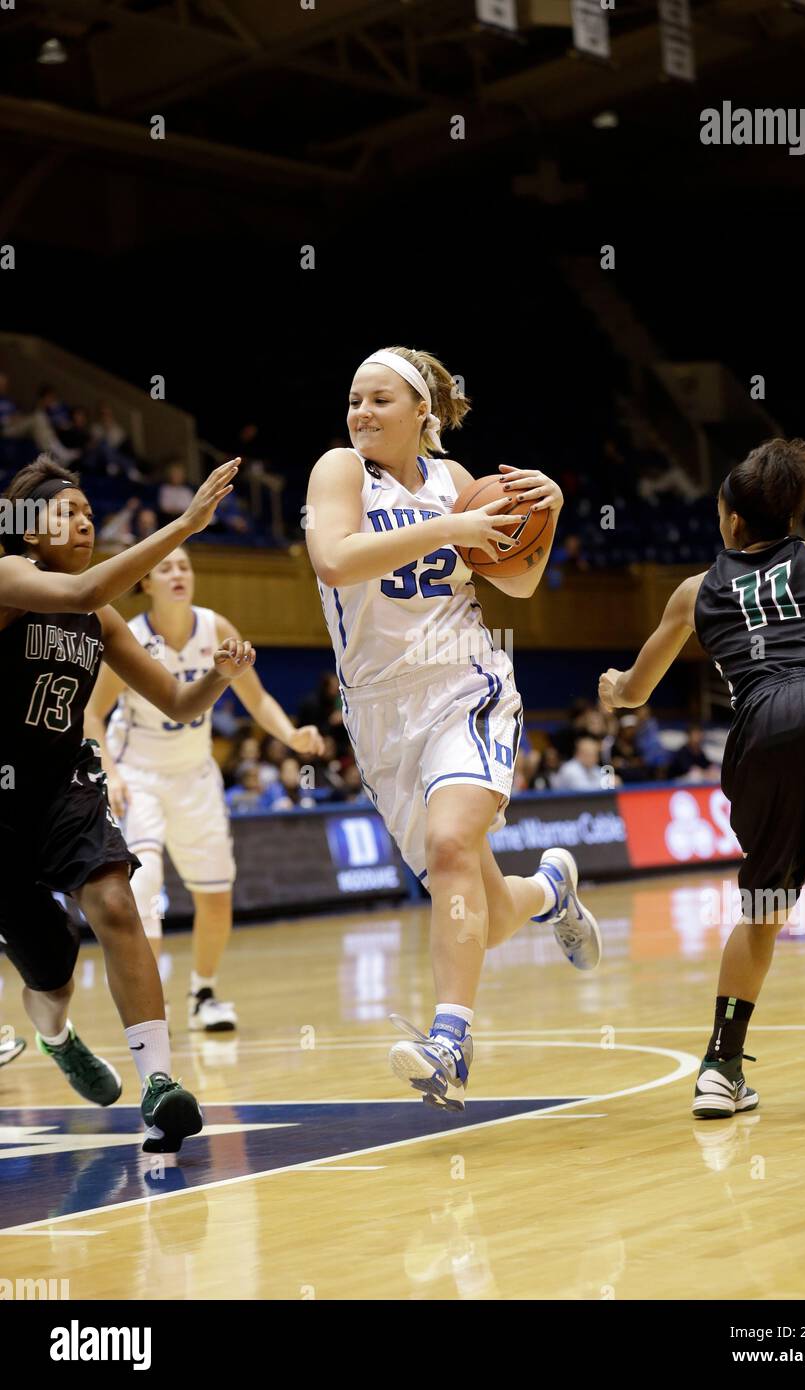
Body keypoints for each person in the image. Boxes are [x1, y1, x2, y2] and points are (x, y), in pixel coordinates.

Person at [305, 345, 601, 1110]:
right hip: (377, 709)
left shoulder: (455, 481)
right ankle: (549, 891)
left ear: (421, 414)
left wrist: (551, 507)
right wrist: (452, 529)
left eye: (379, 400)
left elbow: (520, 579)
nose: (360, 413)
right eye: (354, 399)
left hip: (464, 679)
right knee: (475, 902)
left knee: (448, 844)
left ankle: (449, 1042)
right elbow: (335, 560)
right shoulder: (340, 469)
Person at [599, 437, 805, 1120]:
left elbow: (635, 689)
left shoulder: (693, 592)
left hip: (764, 724)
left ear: (730, 520)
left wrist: (613, 688)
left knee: (763, 910)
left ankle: (718, 1068)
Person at [0, 451, 249, 1152]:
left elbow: (173, 698)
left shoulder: (99, 615)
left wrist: (217, 680)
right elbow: (76, 594)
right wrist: (188, 524)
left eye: (87, 510)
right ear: (22, 524)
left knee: (113, 901)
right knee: (50, 970)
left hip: (62, 786)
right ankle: (55, 1035)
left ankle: (160, 1084)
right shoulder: (10, 578)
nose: (83, 520)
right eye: (64, 510)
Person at [84, 546, 322, 1031]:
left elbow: (256, 699)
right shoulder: (130, 637)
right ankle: (152, 1006)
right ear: (145, 583)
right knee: (144, 890)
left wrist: (291, 735)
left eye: (185, 566)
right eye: (165, 567)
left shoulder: (216, 628)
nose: (178, 574)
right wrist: (109, 770)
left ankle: (203, 994)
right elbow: (92, 711)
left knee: (215, 895)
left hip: (196, 777)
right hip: (140, 777)